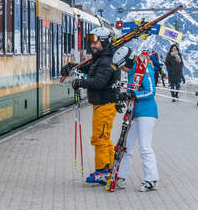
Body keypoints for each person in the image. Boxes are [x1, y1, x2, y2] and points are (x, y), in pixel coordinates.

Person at [63, 29, 119, 183]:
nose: (92, 45)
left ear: (104, 42)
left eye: (95, 42)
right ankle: (110, 169)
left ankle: (102, 171)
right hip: (101, 104)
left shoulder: (107, 61)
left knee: (99, 138)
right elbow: (89, 68)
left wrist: (81, 82)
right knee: (104, 137)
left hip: (105, 104)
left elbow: (99, 82)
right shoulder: (100, 58)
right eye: (91, 42)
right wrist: (72, 66)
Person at [118, 51, 160, 190]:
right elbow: (131, 91)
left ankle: (151, 179)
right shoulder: (132, 72)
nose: (123, 69)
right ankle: (120, 176)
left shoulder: (144, 69)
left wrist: (132, 95)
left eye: (123, 66)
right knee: (127, 146)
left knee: (144, 147)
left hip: (147, 112)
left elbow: (150, 91)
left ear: (128, 61)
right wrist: (123, 98)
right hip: (134, 113)